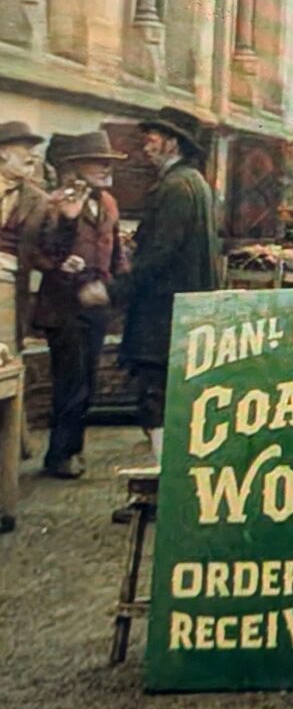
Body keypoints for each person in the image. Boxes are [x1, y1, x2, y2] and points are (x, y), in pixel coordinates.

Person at [82, 107, 218, 464]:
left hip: (164, 313)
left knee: (155, 397)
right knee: (176, 398)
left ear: (173, 143)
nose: (146, 145)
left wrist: (112, 290)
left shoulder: (174, 187)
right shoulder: (196, 183)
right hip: (186, 311)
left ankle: (162, 483)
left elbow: (159, 254)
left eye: (153, 137)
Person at [28, 131, 127, 479]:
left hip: (97, 307)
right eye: (98, 162)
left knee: (88, 382)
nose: (105, 168)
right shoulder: (55, 204)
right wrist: (63, 250)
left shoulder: (110, 203)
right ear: (74, 168)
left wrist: (117, 288)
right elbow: (41, 252)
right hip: (65, 306)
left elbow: (116, 254)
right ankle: (60, 455)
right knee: (70, 383)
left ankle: (73, 450)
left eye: (108, 162)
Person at [0, 121, 47, 358]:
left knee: (6, 362)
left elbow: (45, 247)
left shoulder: (39, 200)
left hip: (9, 290)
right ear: (3, 151)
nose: (33, 155)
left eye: (35, 149)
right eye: (25, 147)